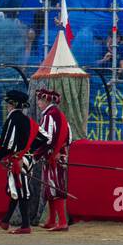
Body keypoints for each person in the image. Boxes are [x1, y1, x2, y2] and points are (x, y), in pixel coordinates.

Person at [0, 89, 42, 235]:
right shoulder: (28, 121)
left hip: (18, 160)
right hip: (25, 159)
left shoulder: (13, 119)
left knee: (20, 190)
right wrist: (31, 153)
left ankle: (26, 225)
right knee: (16, 188)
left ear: (13, 104)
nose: (7, 105)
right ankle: (6, 221)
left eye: (9, 103)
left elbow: (9, 144)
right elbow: (44, 138)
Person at [35, 87, 71, 232]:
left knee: (55, 187)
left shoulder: (50, 116)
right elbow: (68, 136)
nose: (38, 102)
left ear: (45, 100)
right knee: (50, 188)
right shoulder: (58, 114)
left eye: (39, 100)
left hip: (53, 156)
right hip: (57, 154)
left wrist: (37, 154)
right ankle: (51, 220)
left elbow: (47, 139)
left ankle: (62, 221)